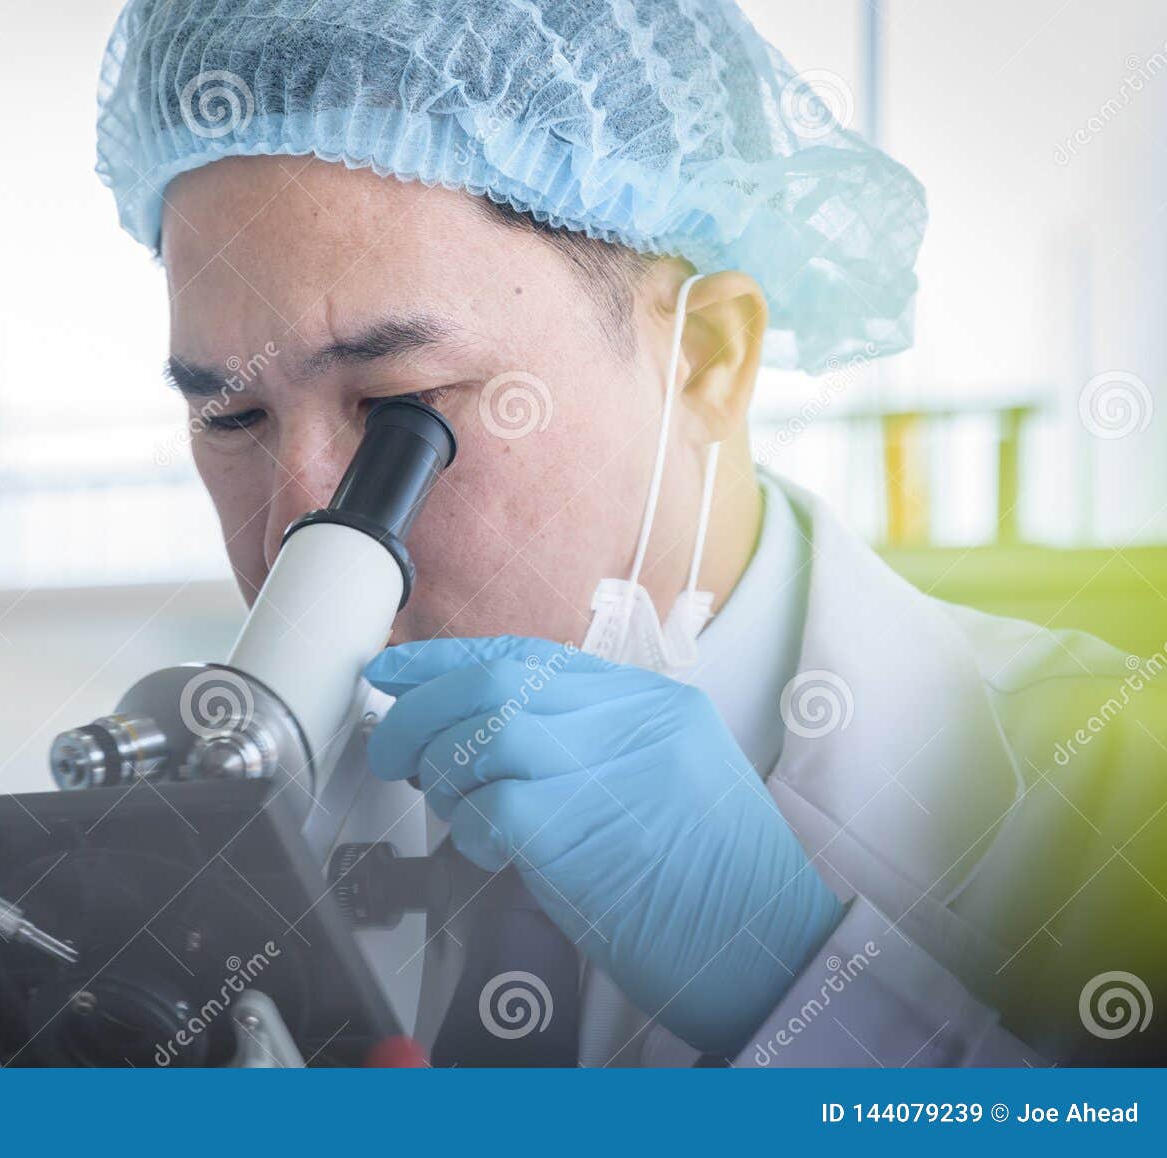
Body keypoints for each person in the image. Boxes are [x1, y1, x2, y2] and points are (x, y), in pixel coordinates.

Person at [90, 0, 1167, 1065]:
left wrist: (810, 1011)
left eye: (398, 404)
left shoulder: (1116, 789)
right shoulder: (217, 834)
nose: (295, 525)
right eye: (231, 417)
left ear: (703, 355)